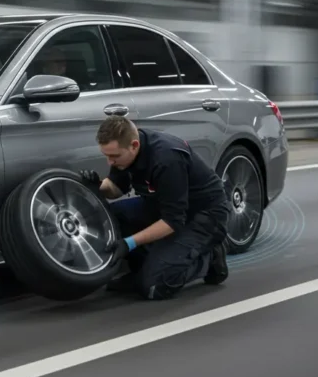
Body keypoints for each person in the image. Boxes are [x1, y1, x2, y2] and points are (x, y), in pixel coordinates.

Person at [79, 115, 230, 300]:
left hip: (204, 215)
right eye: (106, 156)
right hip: (161, 207)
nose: (110, 162)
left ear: (134, 146)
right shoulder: (125, 153)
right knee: (109, 218)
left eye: (114, 156)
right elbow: (116, 189)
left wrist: (129, 243)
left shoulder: (166, 159)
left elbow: (173, 221)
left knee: (154, 287)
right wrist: (97, 186)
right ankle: (149, 265)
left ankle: (210, 258)